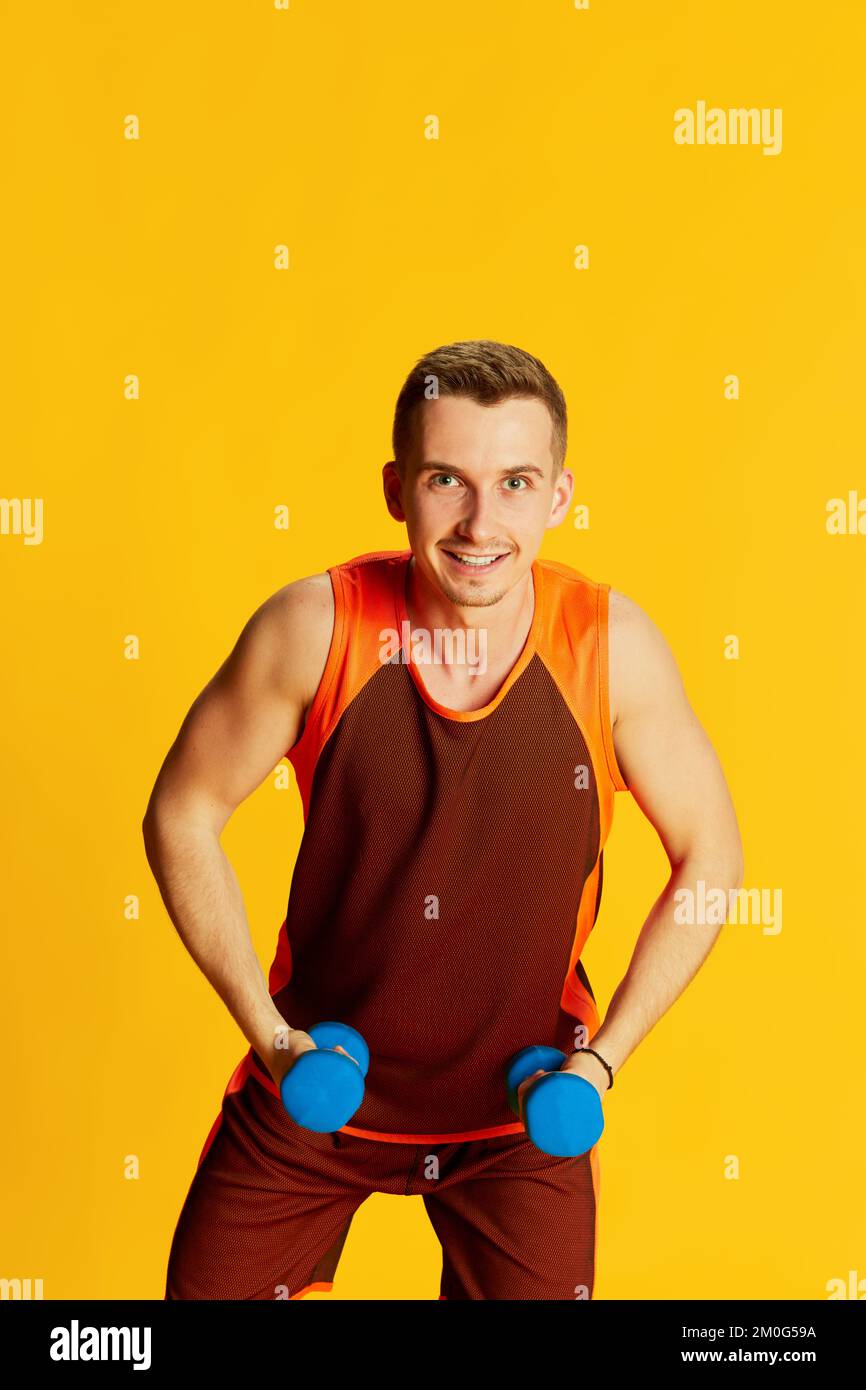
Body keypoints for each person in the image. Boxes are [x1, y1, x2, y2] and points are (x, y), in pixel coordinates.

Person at [143, 339, 743, 1300]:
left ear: (559, 495)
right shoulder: (314, 629)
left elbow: (711, 859)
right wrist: (267, 1035)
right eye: (445, 480)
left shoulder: (611, 649)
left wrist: (602, 1064)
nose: (480, 521)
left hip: (524, 1112)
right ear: (396, 488)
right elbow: (183, 811)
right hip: (316, 1089)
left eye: (514, 482)